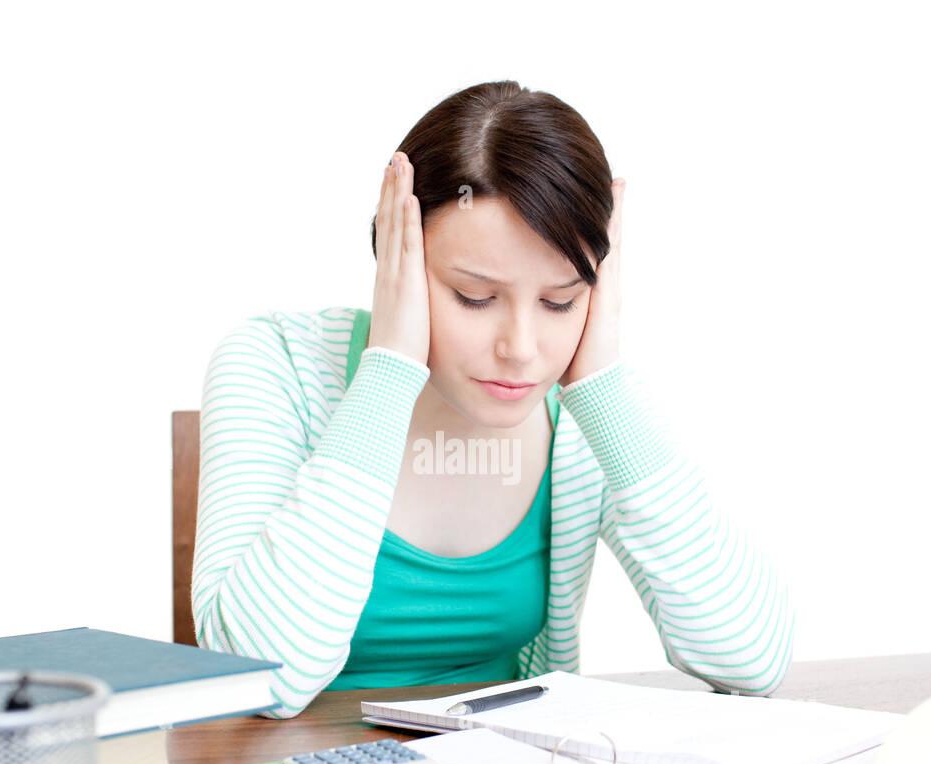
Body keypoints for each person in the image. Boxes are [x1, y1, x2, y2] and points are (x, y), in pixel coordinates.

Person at [192, 81, 795, 718]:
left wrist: (606, 389)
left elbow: (752, 658)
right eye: (475, 298)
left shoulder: (580, 418)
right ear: (398, 258)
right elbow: (263, 680)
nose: (522, 349)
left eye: (560, 301)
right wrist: (390, 371)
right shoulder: (276, 362)